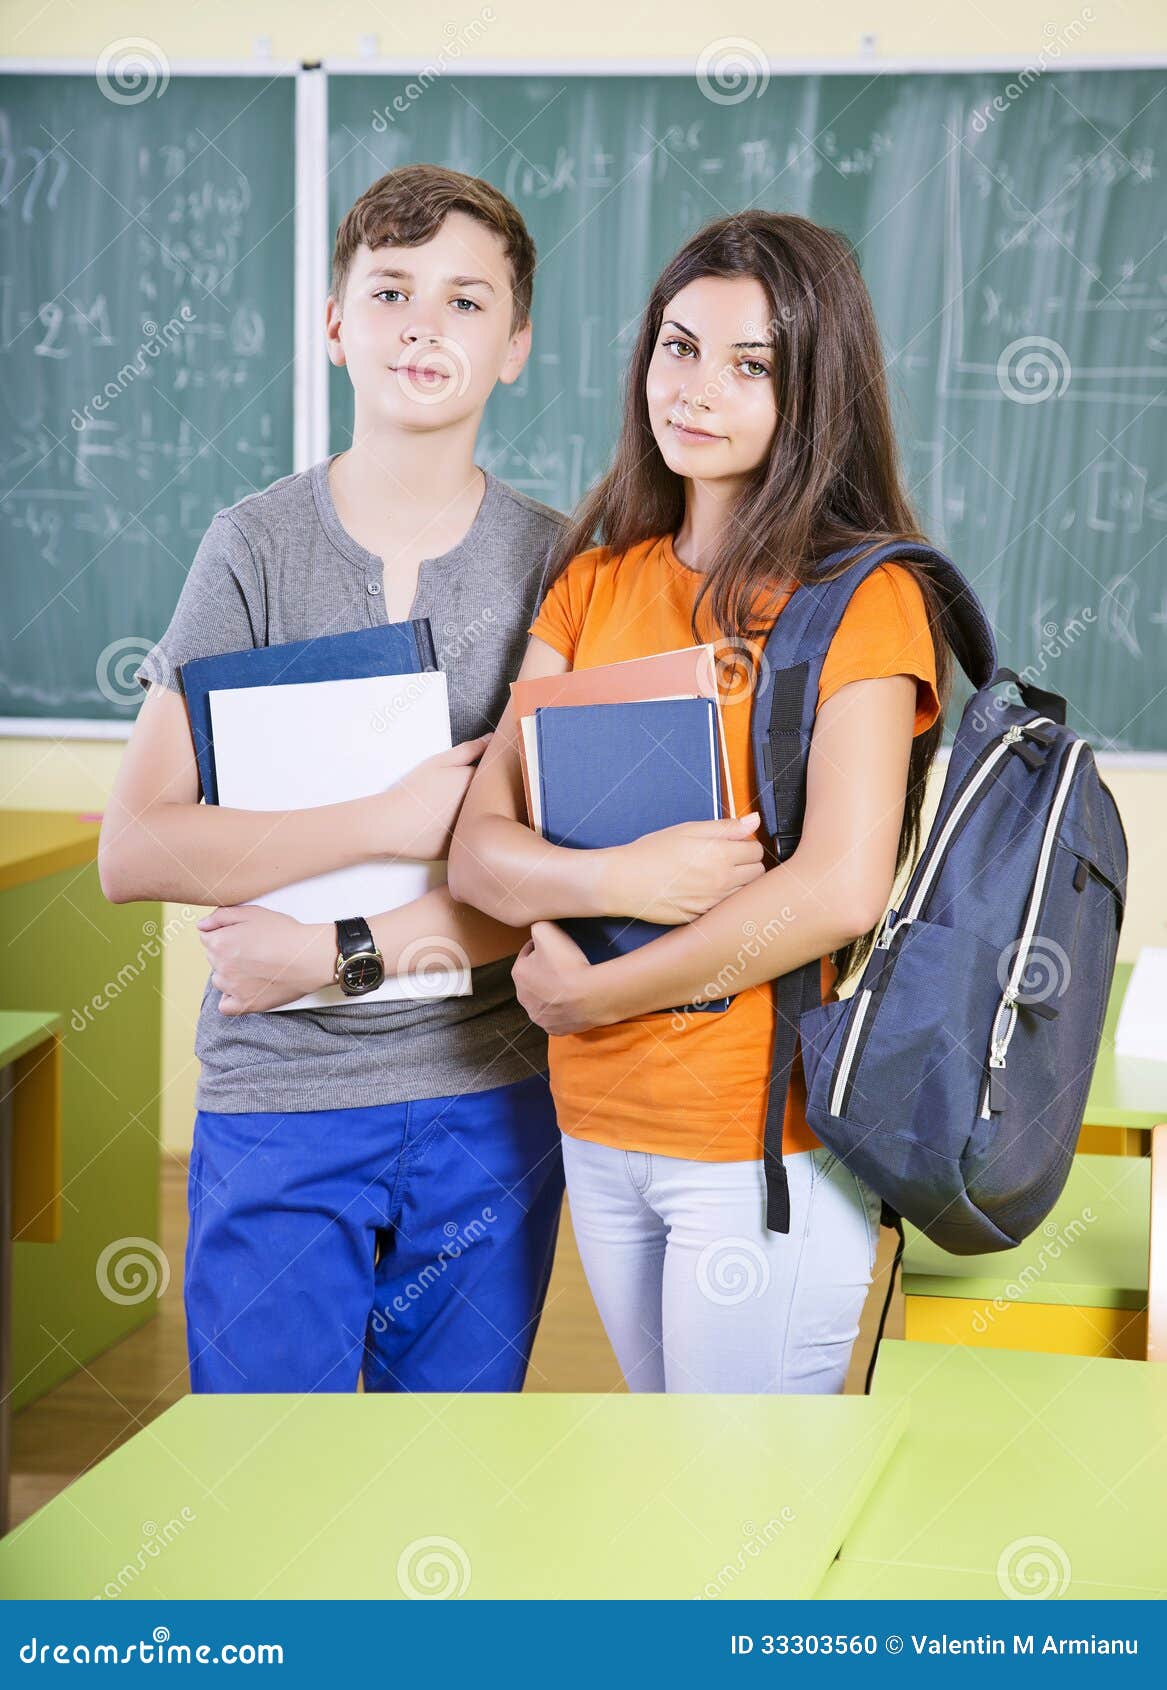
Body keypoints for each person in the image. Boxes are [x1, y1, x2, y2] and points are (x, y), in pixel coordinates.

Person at [449, 211, 949, 1396]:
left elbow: (837, 887)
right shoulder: (592, 581)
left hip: (758, 1143)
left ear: (814, 389)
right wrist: (621, 883)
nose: (697, 389)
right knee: (675, 1506)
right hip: (601, 1120)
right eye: (678, 347)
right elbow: (480, 849)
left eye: (750, 364)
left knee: (738, 1528)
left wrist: (591, 990)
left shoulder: (860, 600)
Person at [99, 165, 567, 1395]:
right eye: (392, 290)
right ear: (334, 323)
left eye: (468, 302)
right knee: (265, 1484)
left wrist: (330, 953)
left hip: (487, 1103)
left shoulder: (561, 565)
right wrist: (385, 817)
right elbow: (136, 847)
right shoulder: (253, 545)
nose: (425, 324)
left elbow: (549, 881)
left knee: (443, 1496)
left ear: (516, 344)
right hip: (280, 1102)